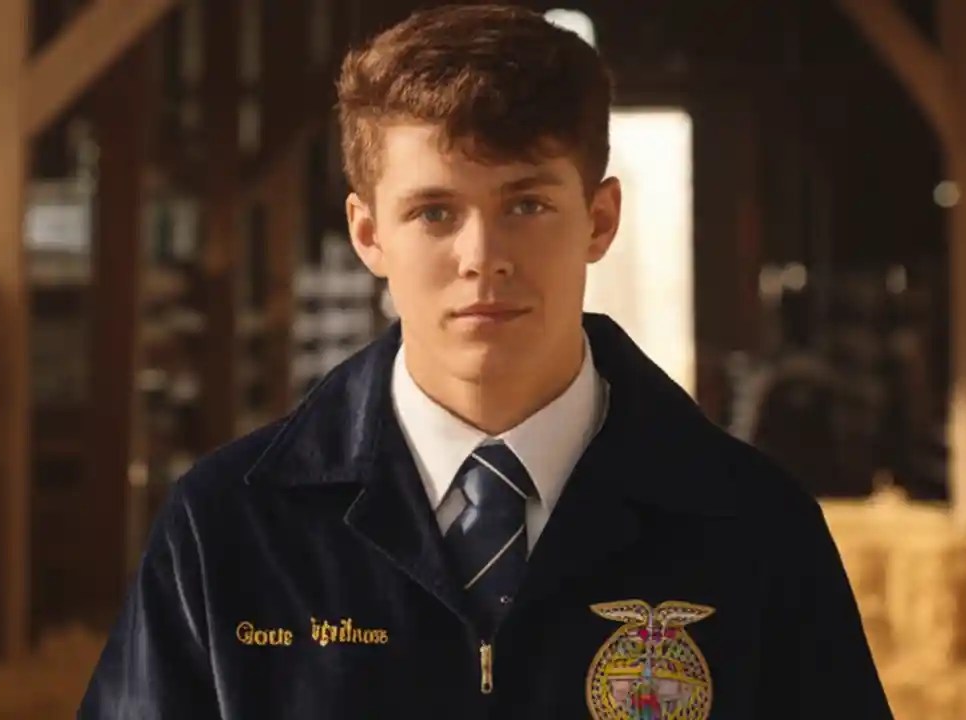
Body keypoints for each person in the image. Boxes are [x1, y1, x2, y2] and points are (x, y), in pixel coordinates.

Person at [78, 5, 894, 718]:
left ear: (600, 218)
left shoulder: (754, 530)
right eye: (434, 211)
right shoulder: (229, 531)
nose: (483, 255)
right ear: (369, 235)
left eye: (527, 204)